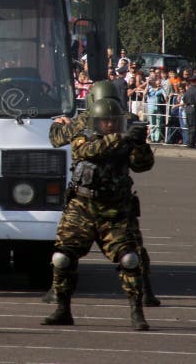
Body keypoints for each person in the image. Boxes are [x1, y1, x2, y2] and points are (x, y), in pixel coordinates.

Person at [42, 97, 154, 331]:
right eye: (105, 122)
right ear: (96, 121)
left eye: (113, 122)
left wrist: (140, 144)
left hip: (114, 210)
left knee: (129, 259)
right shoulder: (83, 134)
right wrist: (122, 138)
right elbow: (87, 151)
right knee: (62, 257)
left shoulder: (126, 140)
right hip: (82, 207)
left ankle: (137, 312)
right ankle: (62, 309)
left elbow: (142, 165)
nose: (110, 125)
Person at [182, 74, 196, 148]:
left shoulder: (189, 89)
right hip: (193, 109)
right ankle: (191, 143)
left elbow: (184, 99)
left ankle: (189, 142)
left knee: (190, 126)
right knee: (194, 127)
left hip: (188, 108)